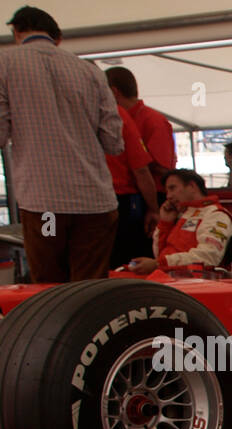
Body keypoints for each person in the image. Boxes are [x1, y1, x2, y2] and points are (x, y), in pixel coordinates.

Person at [0, 7, 123, 283]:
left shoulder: (5, 63)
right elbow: (114, 142)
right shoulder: (89, 70)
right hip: (95, 204)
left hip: (45, 206)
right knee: (89, 288)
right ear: (58, 38)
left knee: (50, 288)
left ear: (17, 32)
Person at [128, 169, 232, 274]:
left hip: (195, 282)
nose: (168, 196)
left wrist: (159, 264)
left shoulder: (216, 214)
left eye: (172, 188)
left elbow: (208, 256)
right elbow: (159, 255)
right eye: (167, 191)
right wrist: (165, 223)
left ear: (192, 186)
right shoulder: (181, 214)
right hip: (169, 277)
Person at [105, 66, 175, 193]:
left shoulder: (153, 120)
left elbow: (164, 167)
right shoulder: (118, 118)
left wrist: (132, 159)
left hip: (154, 193)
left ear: (114, 92)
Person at [106, 104, 158, 268]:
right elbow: (140, 169)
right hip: (119, 202)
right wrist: (154, 209)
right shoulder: (113, 113)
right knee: (128, 265)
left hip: (54, 204)